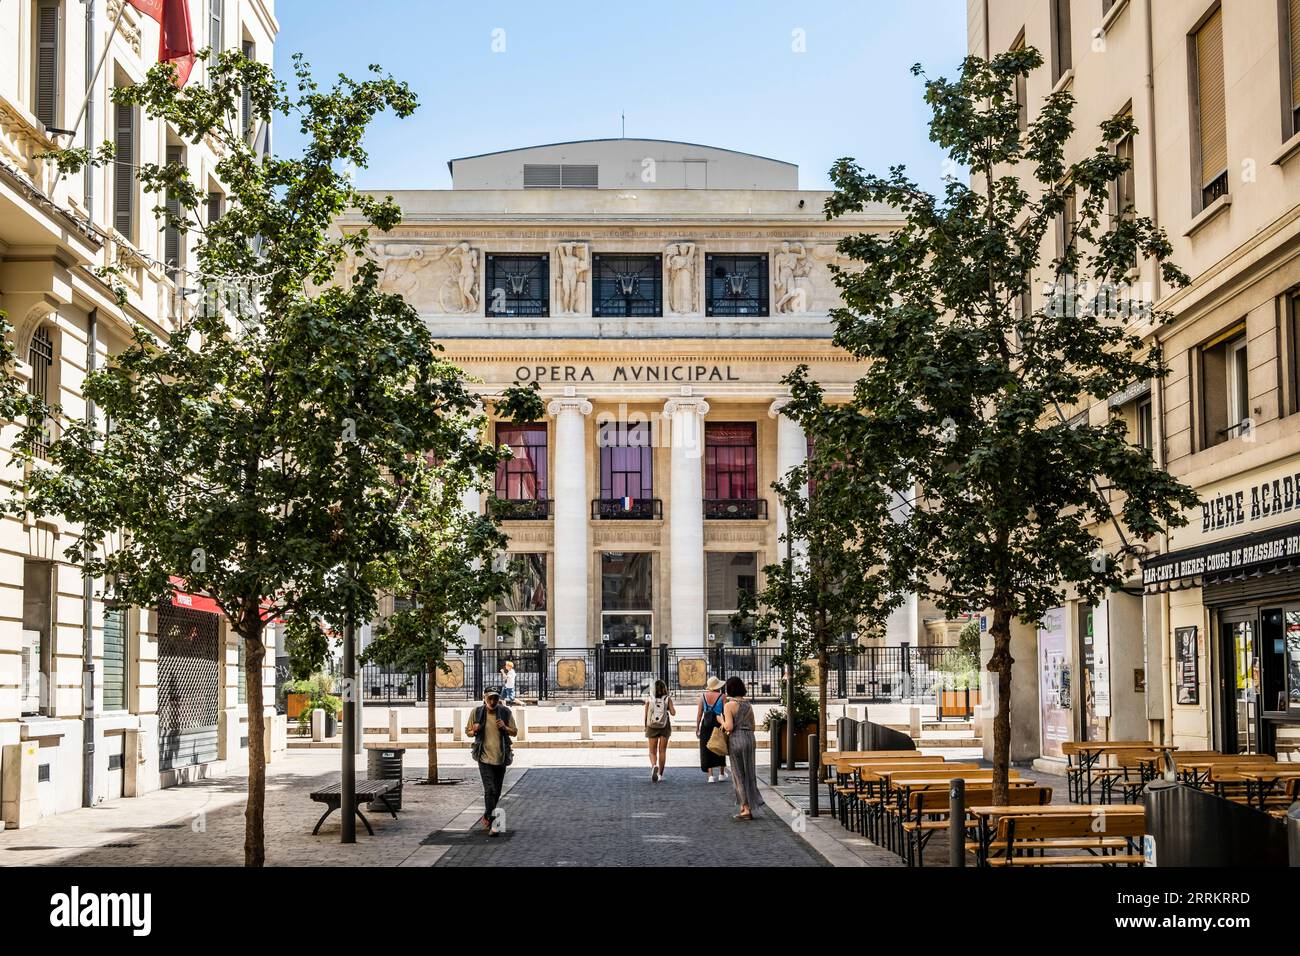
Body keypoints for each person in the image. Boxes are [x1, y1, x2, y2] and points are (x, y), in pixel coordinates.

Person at [465, 688, 517, 835]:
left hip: (501, 757)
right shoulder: (477, 712)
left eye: (495, 698)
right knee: (490, 790)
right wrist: (474, 730)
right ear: (484, 698)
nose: (493, 701)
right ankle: (493, 823)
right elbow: (468, 732)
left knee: (497, 791)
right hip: (483, 757)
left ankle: (487, 816)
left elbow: (515, 732)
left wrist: (505, 727)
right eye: (490, 698)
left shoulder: (505, 712)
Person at [719, 676, 763, 820]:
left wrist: (721, 721)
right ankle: (750, 804)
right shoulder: (748, 705)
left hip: (736, 739)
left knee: (738, 774)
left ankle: (745, 808)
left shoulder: (729, 705)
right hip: (749, 738)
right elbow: (753, 726)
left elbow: (729, 727)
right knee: (750, 773)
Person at [696, 676, 728, 783]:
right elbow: (725, 712)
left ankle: (710, 776)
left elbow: (699, 714)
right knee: (720, 746)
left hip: (706, 724)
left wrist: (697, 728)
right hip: (718, 723)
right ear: (717, 686)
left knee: (707, 748)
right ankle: (721, 774)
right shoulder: (722, 697)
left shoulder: (702, 696)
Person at [644, 679, 676, 782]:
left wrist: (645, 726)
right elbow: (673, 713)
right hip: (664, 726)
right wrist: (667, 708)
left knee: (652, 751)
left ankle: (654, 765)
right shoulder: (667, 699)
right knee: (662, 751)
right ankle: (660, 774)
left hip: (652, 726)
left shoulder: (649, 699)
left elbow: (646, 715)